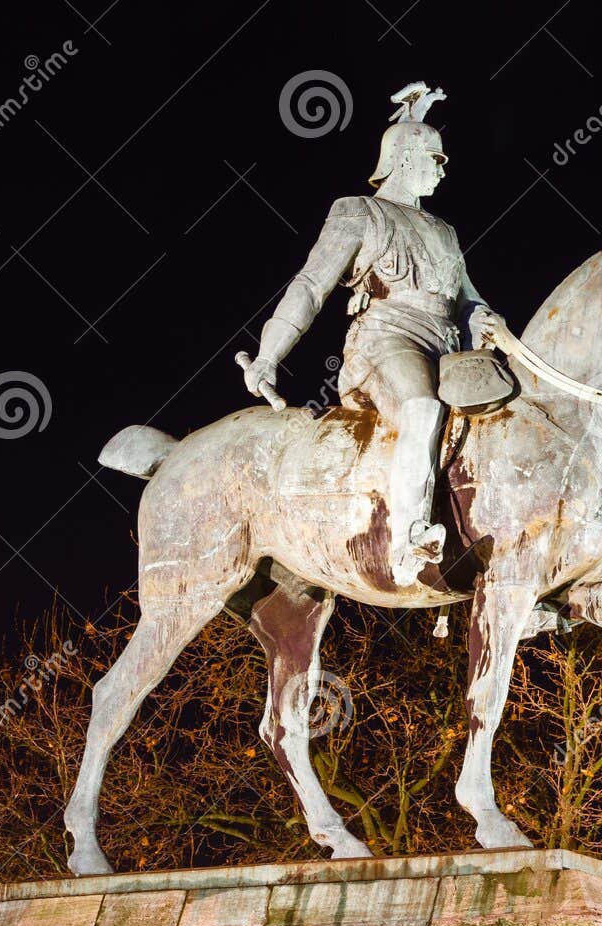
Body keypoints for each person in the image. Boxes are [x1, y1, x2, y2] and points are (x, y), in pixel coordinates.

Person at [241, 82, 503, 584]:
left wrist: (487, 320)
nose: (443, 168)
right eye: (435, 158)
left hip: (447, 347)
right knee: (421, 407)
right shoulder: (359, 212)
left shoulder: (444, 231)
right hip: (385, 339)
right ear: (404, 159)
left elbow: (468, 300)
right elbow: (311, 285)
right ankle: (409, 542)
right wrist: (270, 353)